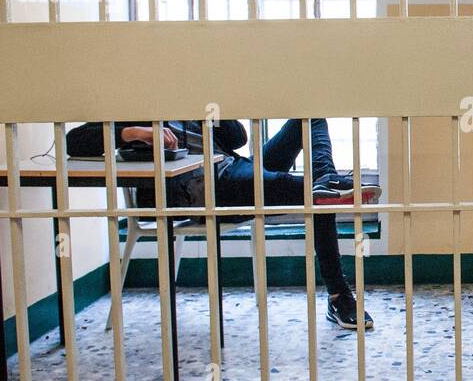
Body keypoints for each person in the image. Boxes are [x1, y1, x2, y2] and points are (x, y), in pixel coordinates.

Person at [65, 118, 374, 331]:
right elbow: (73, 141)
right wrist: (134, 132)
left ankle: (326, 180)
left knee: (309, 120)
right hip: (202, 191)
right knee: (317, 194)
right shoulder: (140, 105)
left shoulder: (195, 92)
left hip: (236, 169)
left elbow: (238, 139)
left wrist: (210, 104)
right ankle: (339, 295)